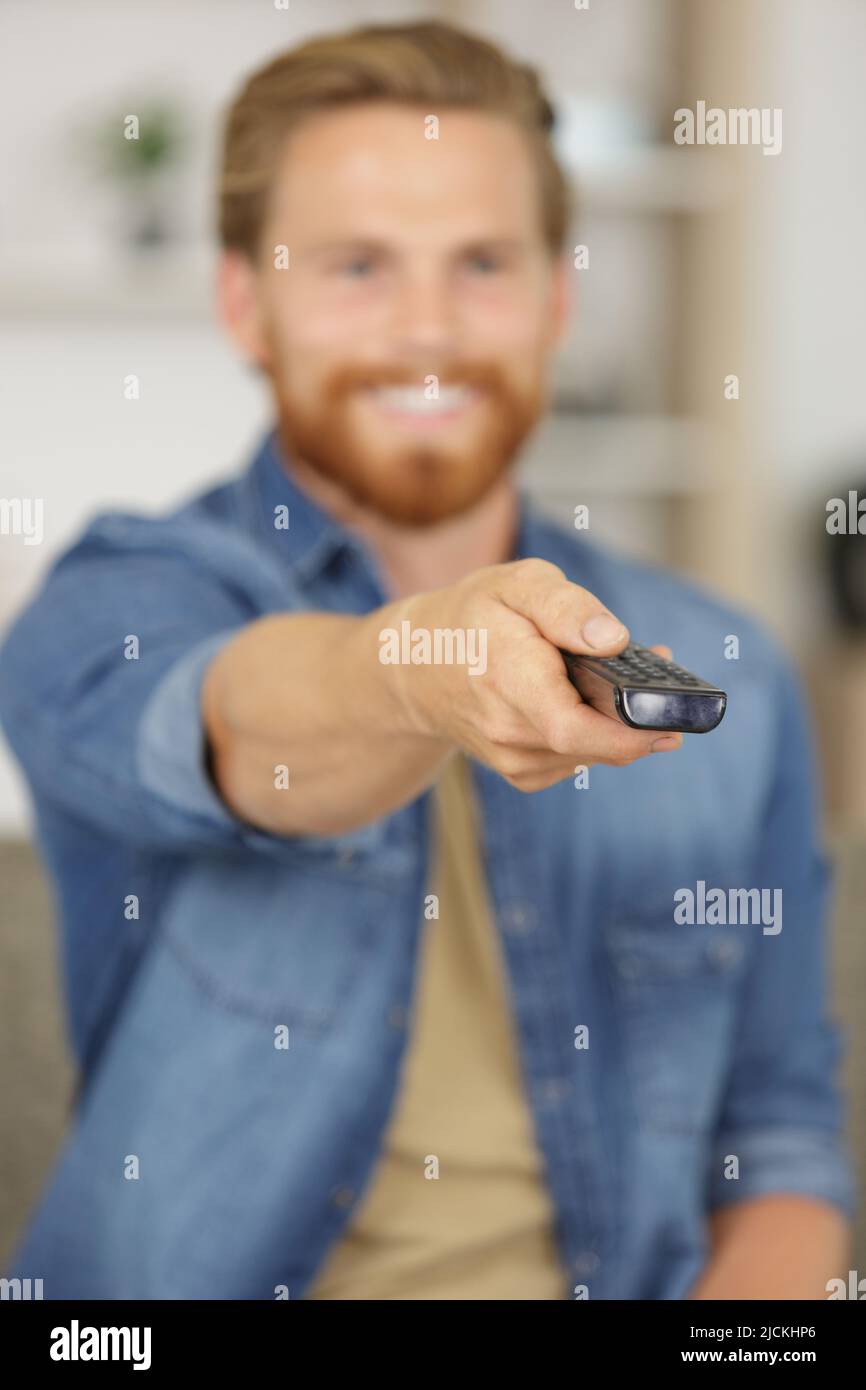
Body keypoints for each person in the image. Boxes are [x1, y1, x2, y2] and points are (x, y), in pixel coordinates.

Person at [0, 20, 852, 1300]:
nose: (427, 328)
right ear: (246, 300)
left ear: (557, 298)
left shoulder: (730, 664)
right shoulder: (113, 603)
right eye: (356, 266)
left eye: (482, 263)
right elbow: (235, 726)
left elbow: (779, 1136)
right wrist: (418, 668)